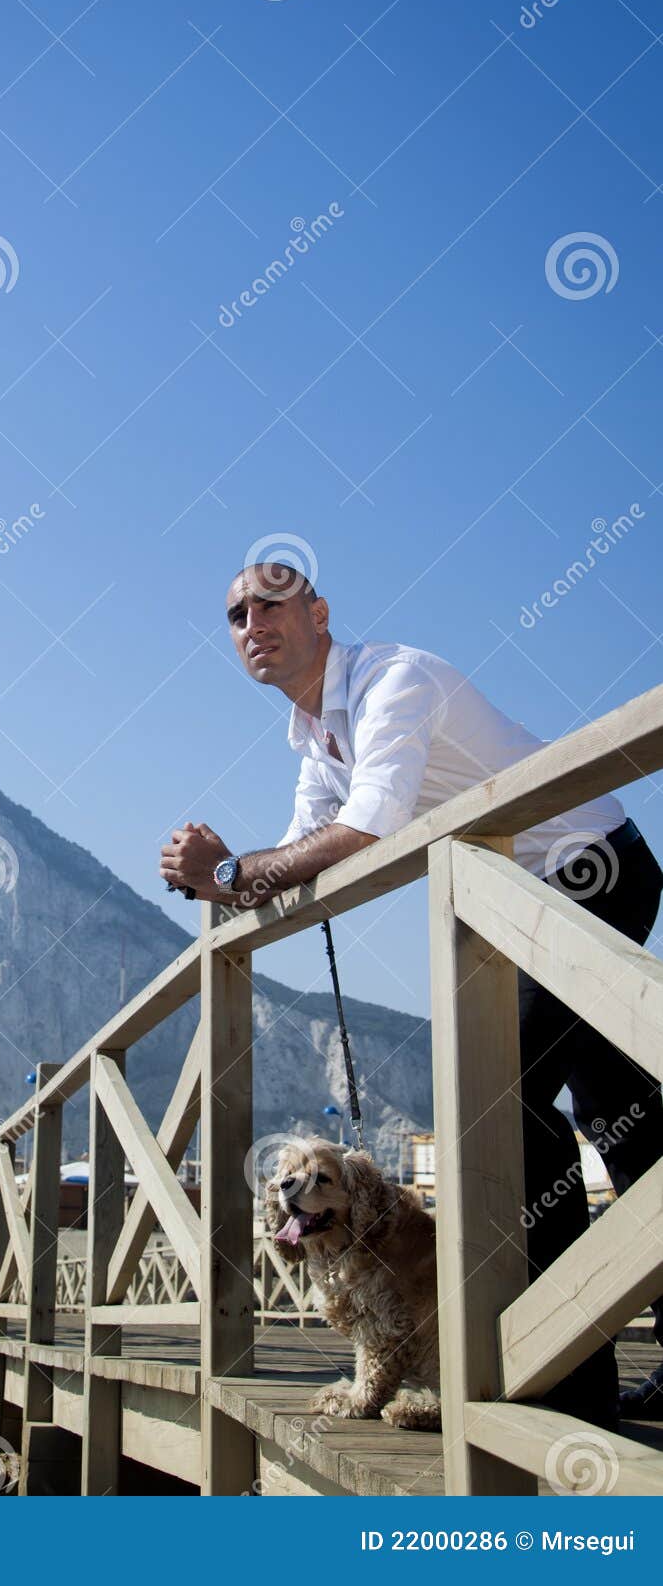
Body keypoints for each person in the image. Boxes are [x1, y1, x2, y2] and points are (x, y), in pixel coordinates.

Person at [159, 559, 663, 1428]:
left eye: (269, 605)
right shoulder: (311, 735)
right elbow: (290, 863)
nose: (251, 624)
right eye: (236, 615)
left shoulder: (396, 680)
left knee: (499, 1102)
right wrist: (222, 880)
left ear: (319, 613)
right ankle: (580, 1358)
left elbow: (363, 831)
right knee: (622, 1120)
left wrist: (232, 869)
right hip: (523, 902)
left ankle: (564, 1377)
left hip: (588, 869)